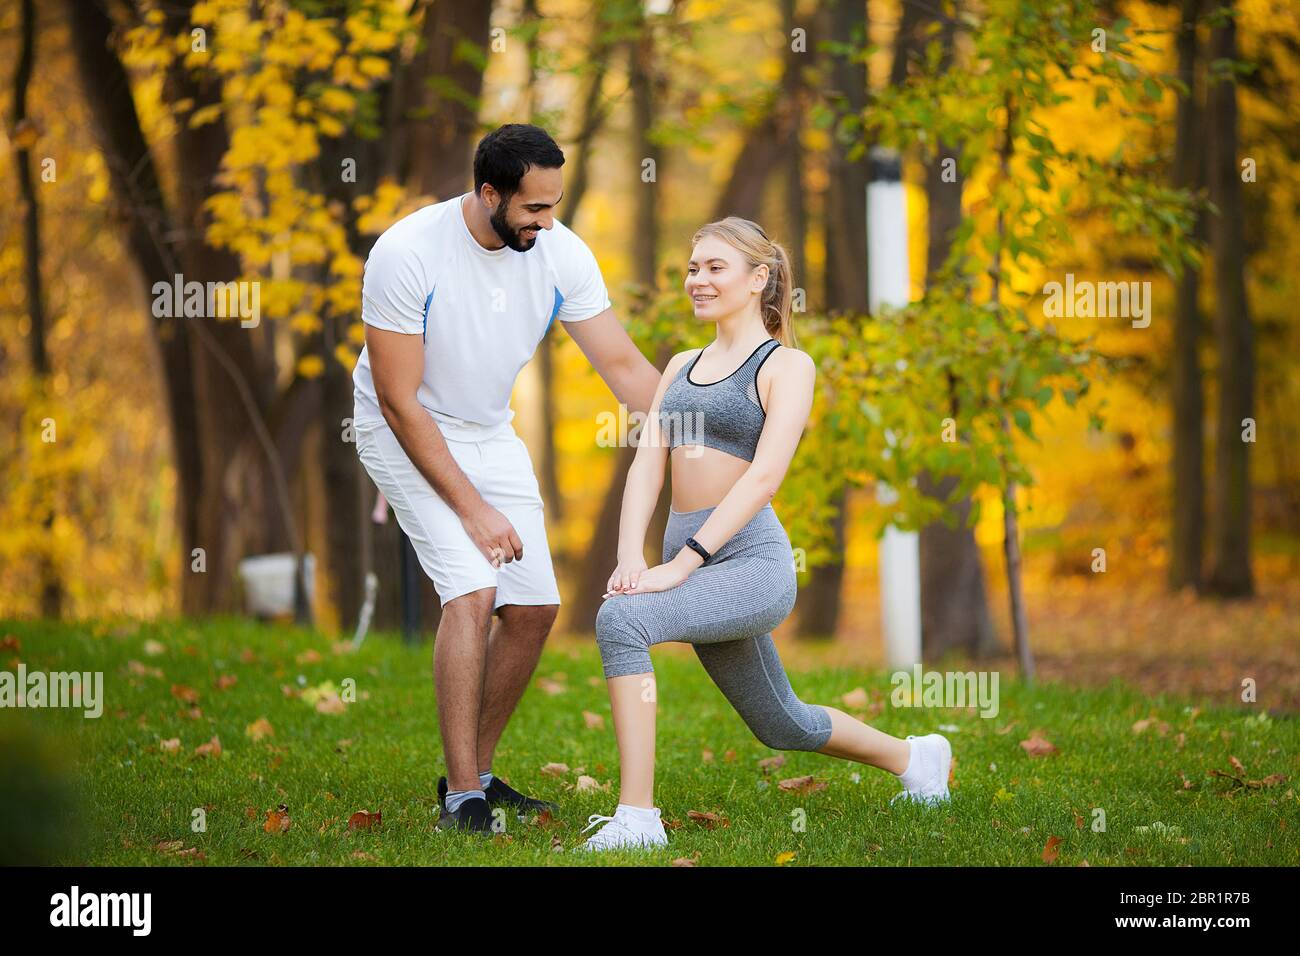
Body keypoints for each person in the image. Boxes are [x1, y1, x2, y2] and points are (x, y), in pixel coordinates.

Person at [582, 217, 953, 851]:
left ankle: (637, 820)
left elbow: (764, 479)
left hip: (750, 565)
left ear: (759, 279)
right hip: (685, 560)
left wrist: (685, 564)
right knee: (780, 723)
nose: (698, 280)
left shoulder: (787, 366)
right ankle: (917, 759)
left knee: (621, 622)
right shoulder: (679, 364)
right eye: (693, 268)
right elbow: (648, 460)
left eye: (714, 268)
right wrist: (629, 555)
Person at [352, 124, 661, 834]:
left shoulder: (560, 253)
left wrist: (702, 430)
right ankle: (462, 801)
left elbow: (621, 366)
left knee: (532, 609)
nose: (546, 223)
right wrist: (473, 510)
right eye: (532, 209)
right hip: (404, 427)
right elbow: (400, 401)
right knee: (473, 588)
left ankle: (478, 776)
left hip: (488, 430)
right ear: (488, 192)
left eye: (554, 205)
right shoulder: (407, 253)